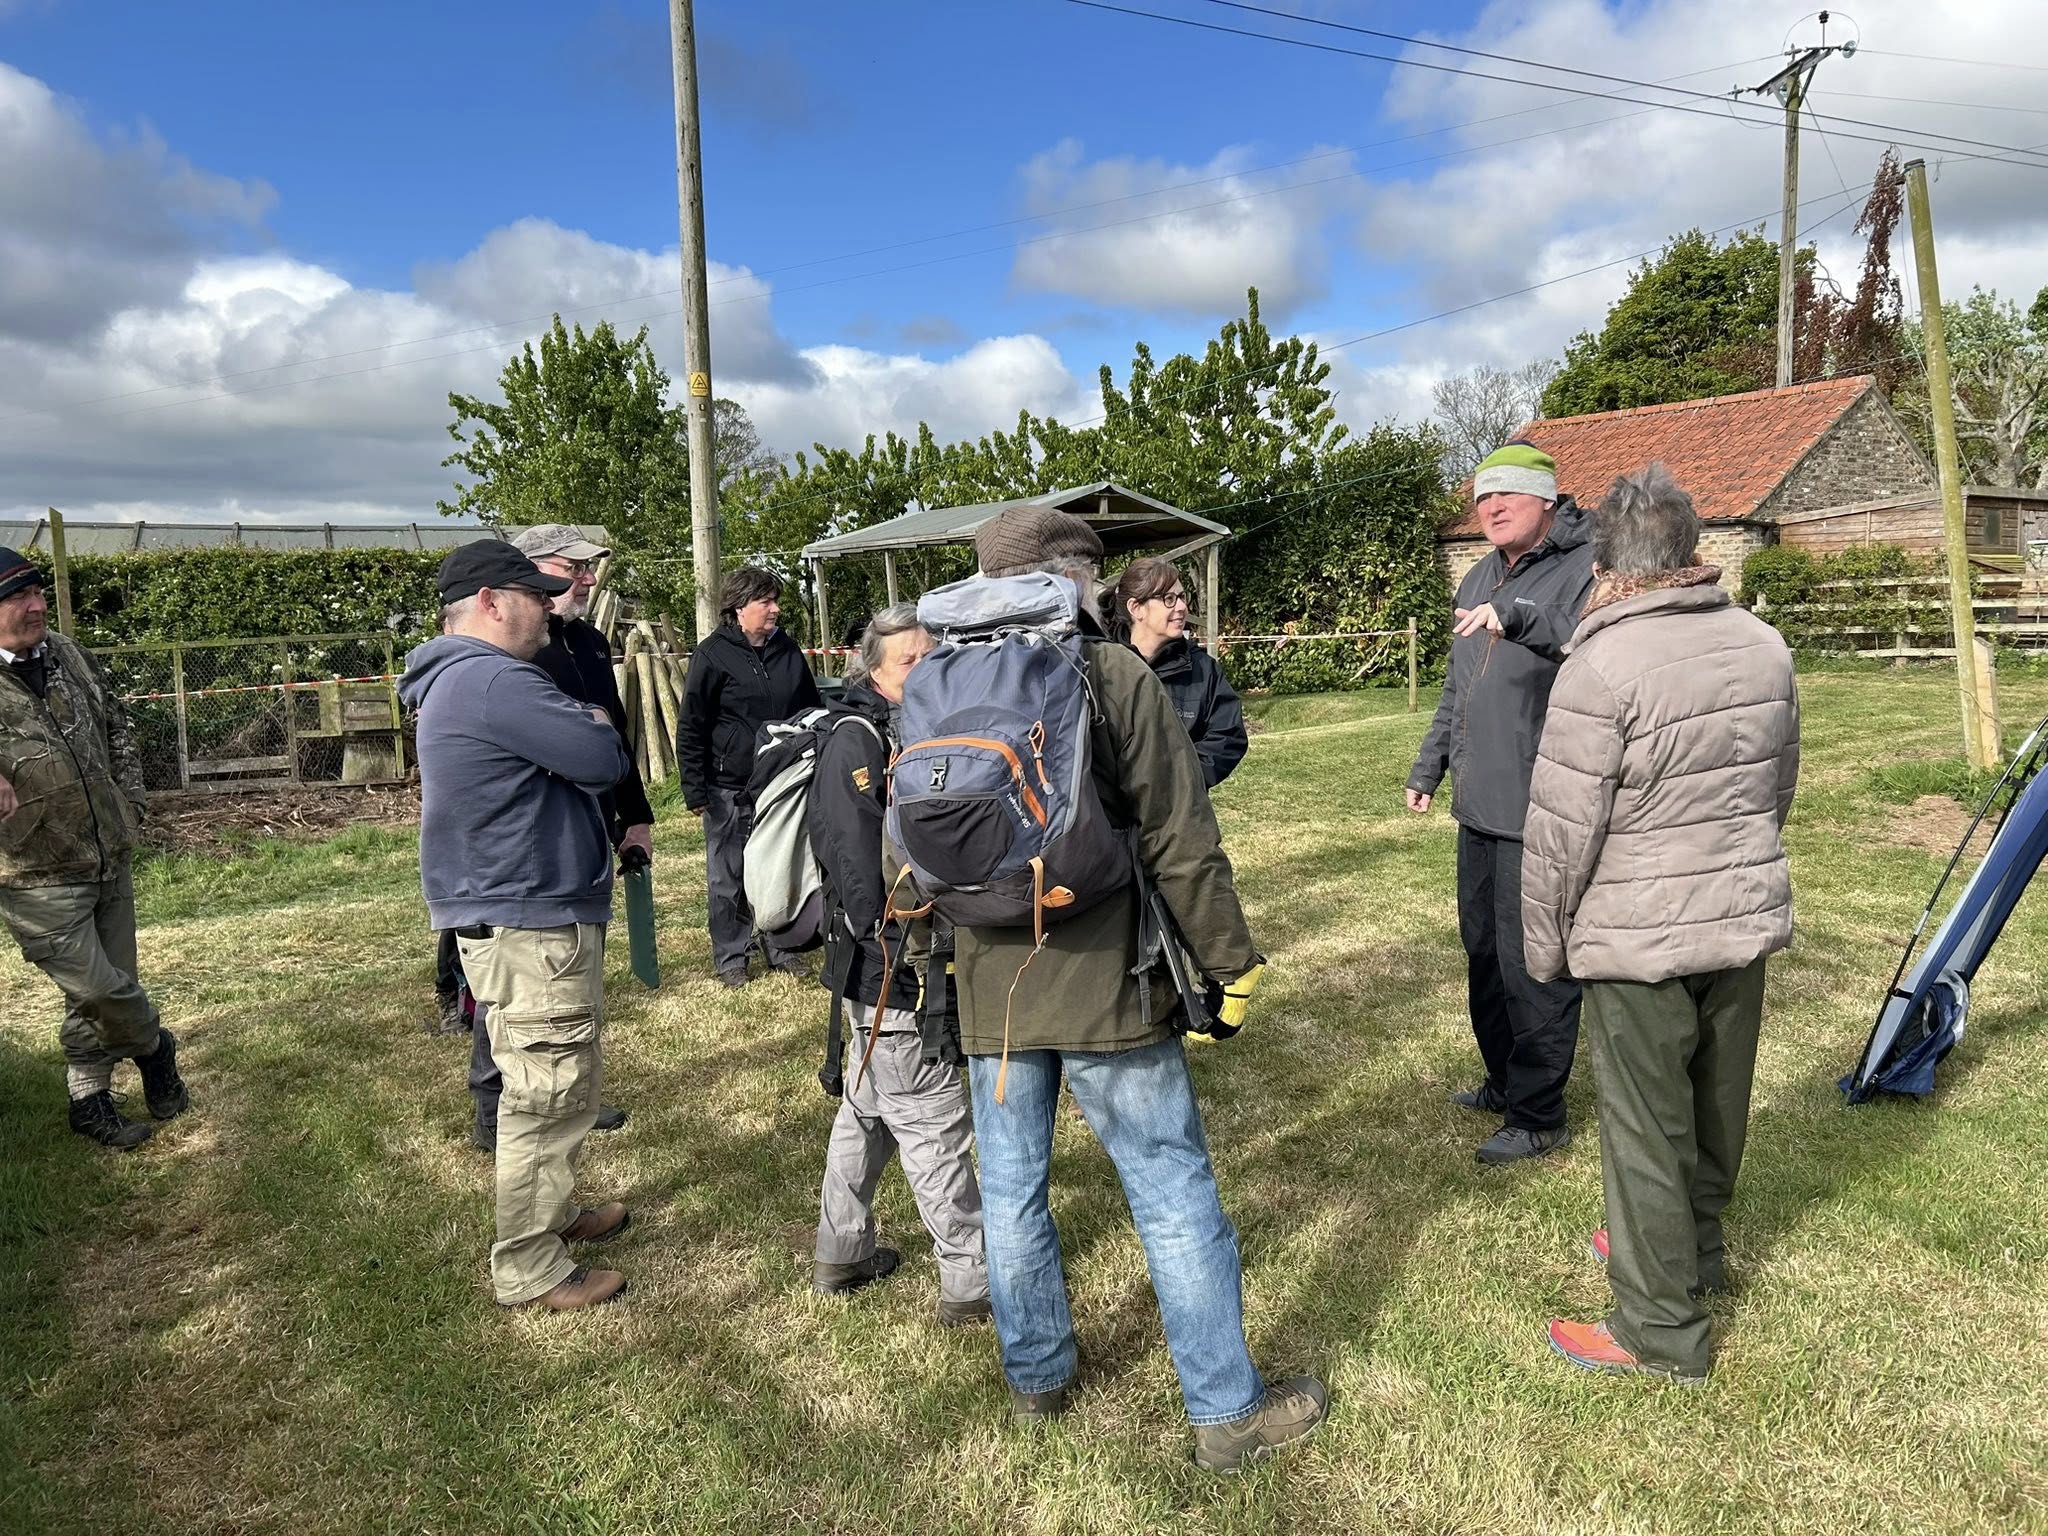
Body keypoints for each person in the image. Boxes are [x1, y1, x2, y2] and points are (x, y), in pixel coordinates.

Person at [951, 504, 1325, 1475]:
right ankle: (1226, 1412)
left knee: (1011, 1192)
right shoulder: (1111, 674)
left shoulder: (939, 680)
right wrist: (1228, 960)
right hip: (1103, 982)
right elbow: (1180, 838)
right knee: (1169, 1189)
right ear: (1073, 578)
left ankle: (1036, 1377)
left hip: (989, 989)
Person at [1522, 465, 1799, 1383]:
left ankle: (1659, 1328)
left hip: (1639, 936)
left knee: (1646, 1128)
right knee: (1716, 1105)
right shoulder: (1764, 645)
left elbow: (1560, 835)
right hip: (1738, 915)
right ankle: (1695, 1256)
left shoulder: (1599, 665)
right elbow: (1776, 788)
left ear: (1606, 565)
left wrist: (1544, 947)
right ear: (1692, 550)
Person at [399, 542, 634, 1312]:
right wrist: (587, 720)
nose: (550, 608)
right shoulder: (494, 679)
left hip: (520, 912)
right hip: (527, 918)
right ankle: (530, 1267)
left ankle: (554, 1215)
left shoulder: (466, 679)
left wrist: (578, 725)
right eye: (535, 594)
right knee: (545, 1088)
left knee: (557, 1079)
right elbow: (600, 754)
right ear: (491, 601)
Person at [1405, 441, 1597, 1165]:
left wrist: (1518, 617)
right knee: (1483, 954)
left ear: (1546, 499)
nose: (1492, 507)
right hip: (1478, 804)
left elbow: (1592, 645)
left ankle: (1540, 1113)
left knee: (1533, 965)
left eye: (1507, 494)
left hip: (1541, 804)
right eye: (1483, 497)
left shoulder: (1589, 567)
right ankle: (1503, 1081)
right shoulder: (1479, 573)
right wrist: (1431, 764)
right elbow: (1460, 686)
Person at [807, 604, 990, 1325]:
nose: (926, 667)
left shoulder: (904, 729)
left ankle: (841, 1250)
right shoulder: (856, 741)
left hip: (877, 967)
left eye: (930, 654)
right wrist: (901, 960)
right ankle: (971, 1280)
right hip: (890, 968)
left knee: (868, 1111)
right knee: (930, 1117)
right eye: (910, 659)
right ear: (873, 669)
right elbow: (860, 870)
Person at [439, 523, 648, 1154]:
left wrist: (634, 815)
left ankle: (567, 1094)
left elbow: (614, 735)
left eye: (587, 569)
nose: (584, 580)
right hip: (524, 872)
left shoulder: (585, 642)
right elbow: (589, 747)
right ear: (501, 593)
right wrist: (590, 734)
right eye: (567, 569)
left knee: (563, 998)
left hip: (577, 841)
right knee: (521, 1000)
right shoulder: (504, 667)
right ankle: (498, 1104)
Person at [0, 550, 189, 1150]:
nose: (36, 606)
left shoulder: (69, 655)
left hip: (108, 853)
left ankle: (88, 1100)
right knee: (99, 989)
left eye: (38, 592)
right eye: (17, 597)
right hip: (31, 873)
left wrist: (130, 805)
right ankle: (155, 1048)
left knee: (106, 986)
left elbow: (117, 727)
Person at [676, 566, 822, 987]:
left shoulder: (787, 650)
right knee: (729, 876)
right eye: (765, 601)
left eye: (776, 601)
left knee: (780, 866)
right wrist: (695, 787)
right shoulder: (712, 655)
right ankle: (731, 958)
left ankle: (782, 947)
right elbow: (692, 725)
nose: (775, 609)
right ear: (739, 607)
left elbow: (811, 710)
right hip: (729, 785)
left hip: (781, 781)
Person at [1110, 556, 1248, 789]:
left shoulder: (1203, 669)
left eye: (1182, 597)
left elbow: (1228, 736)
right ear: (1136, 608)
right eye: (1169, 599)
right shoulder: (1105, 667)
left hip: (1180, 808)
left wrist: (1182, 780)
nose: (1182, 607)